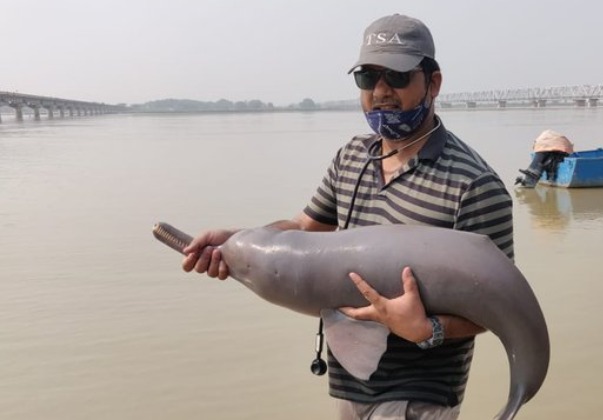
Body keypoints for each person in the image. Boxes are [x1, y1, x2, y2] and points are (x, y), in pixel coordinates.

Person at [182, 14, 513, 420]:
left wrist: (429, 329)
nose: (381, 91)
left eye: (397, 76)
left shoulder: (473, 184)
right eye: (368, 77)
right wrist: (240, 241)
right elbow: (305, 228)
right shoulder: (354, 155)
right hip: (350, 377)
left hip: (419, 394)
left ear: (434, 82)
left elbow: (499, 306)